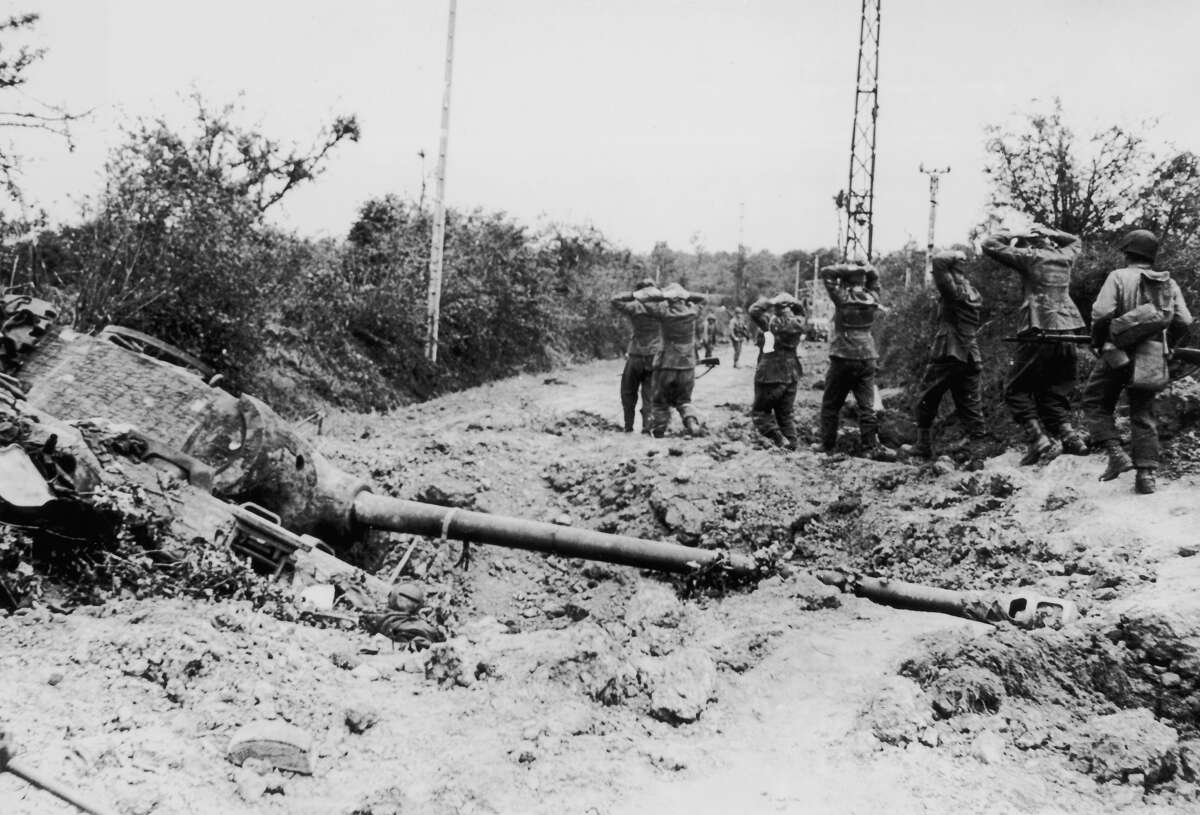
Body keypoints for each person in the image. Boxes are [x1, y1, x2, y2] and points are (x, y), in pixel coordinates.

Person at [1082, 230, 1193, 494]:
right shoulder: (1169, 283)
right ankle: (1146, 476)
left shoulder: (1118, 277)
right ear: (1152, 256)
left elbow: (1101, 313)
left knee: (1095, 401)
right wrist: (1171, 347)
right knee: (1143, 410)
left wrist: (1097, 342)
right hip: (1151, 356)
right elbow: (1185, 321)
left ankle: (1116, 454)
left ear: (1128, 252)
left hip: (1115, 352)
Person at [980, 223, 1087, 464]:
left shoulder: (1029, 256)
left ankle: (1039, 439)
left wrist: (1016, 233)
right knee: (1055, 388)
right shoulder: (1064, 255)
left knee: (1015, 389)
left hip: (1038, 327)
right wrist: (1051, 232)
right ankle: (1071, 438)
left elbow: (989, 244)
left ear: (1029, 244)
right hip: (1068, 329)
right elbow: (1075, 240)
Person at [901, 250, 986, 459]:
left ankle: (923, 445)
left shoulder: (953, 289)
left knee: (926, 396)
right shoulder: (972, 290)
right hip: (971, 354)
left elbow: (939, 260)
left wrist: (955, 253)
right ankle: (979, 451)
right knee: (970, 403)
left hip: (949, 351)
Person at [814, 262, 894, 460]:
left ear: (846, 281)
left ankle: (827, 445)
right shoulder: (872, 297)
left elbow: (826, 272)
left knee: (831, 403)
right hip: (867, 353)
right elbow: (875, 279)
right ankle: (869, 447)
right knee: (867, 406)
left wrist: (845, 268)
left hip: (844, 353)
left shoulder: (842, 297)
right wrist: (866, 269)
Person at [640, 282, 707, 437]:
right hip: (687, 365)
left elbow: (644, 299)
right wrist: (684, 294)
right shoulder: (692, 312)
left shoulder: (664, 313)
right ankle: (691, 424)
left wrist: (663, 295)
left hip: (666, 364)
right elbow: (703, 299)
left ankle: (659, 429)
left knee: (660, 400)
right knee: (684, 400)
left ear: (670, 299)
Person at [748, 292, 805, 449]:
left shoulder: (771, 323)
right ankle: (792, 445)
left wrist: (770, 301)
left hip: (771, 373)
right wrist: (793, 302)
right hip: (792, 373)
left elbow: (754, 310)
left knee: (760, 413)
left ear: (776, 308)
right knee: (785, 414)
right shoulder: (799, 322)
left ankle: (779, 439)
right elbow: (801, 311)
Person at [610, 278, 663, 433]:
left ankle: (628, 426)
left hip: (636, 354)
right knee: (649, 393)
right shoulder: (662, 308)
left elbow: (615, 299)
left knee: (628, 391)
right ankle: (647, 428)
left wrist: (634, 295)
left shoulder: (635, 307)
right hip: (654, 355)